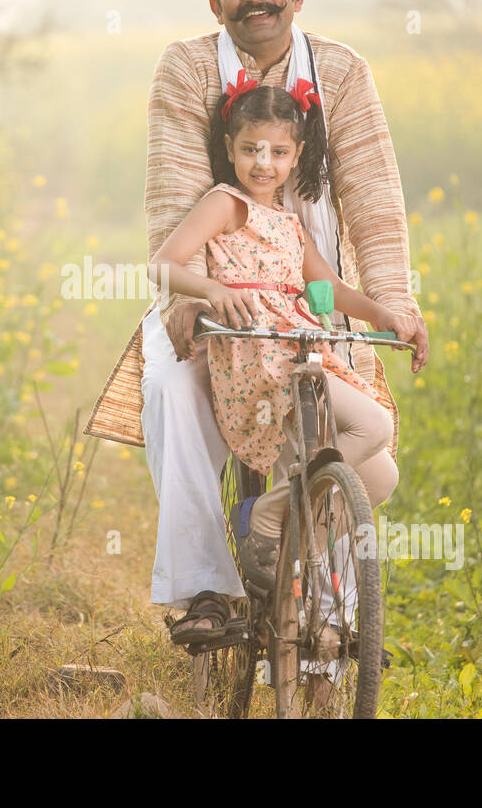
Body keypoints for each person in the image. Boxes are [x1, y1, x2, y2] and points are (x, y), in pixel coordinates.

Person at [82, 0, 430, 654]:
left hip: (309, 297)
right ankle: (203, 590)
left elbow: (373, 199)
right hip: (211, 290)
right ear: (216, 5)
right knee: (175, 394)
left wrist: (395, 305)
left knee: (349, 436)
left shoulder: (341, 71)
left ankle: (323, 605)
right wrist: (192, 299)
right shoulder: (184, 68)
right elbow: (175, 195)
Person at [150, 80, 418, 645]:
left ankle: (288, 548)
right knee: (373, 425)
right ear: (230, 147)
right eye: (250, 149)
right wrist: (211, 291)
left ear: (297, 156)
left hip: (299, 349)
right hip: (256, 356)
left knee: (381, 474)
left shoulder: (292, 224)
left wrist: (388, 315)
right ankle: (270, 517)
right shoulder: (227, 203)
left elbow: (334, 290)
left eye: (277, 152)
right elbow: (164, 263)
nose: (263, 164)